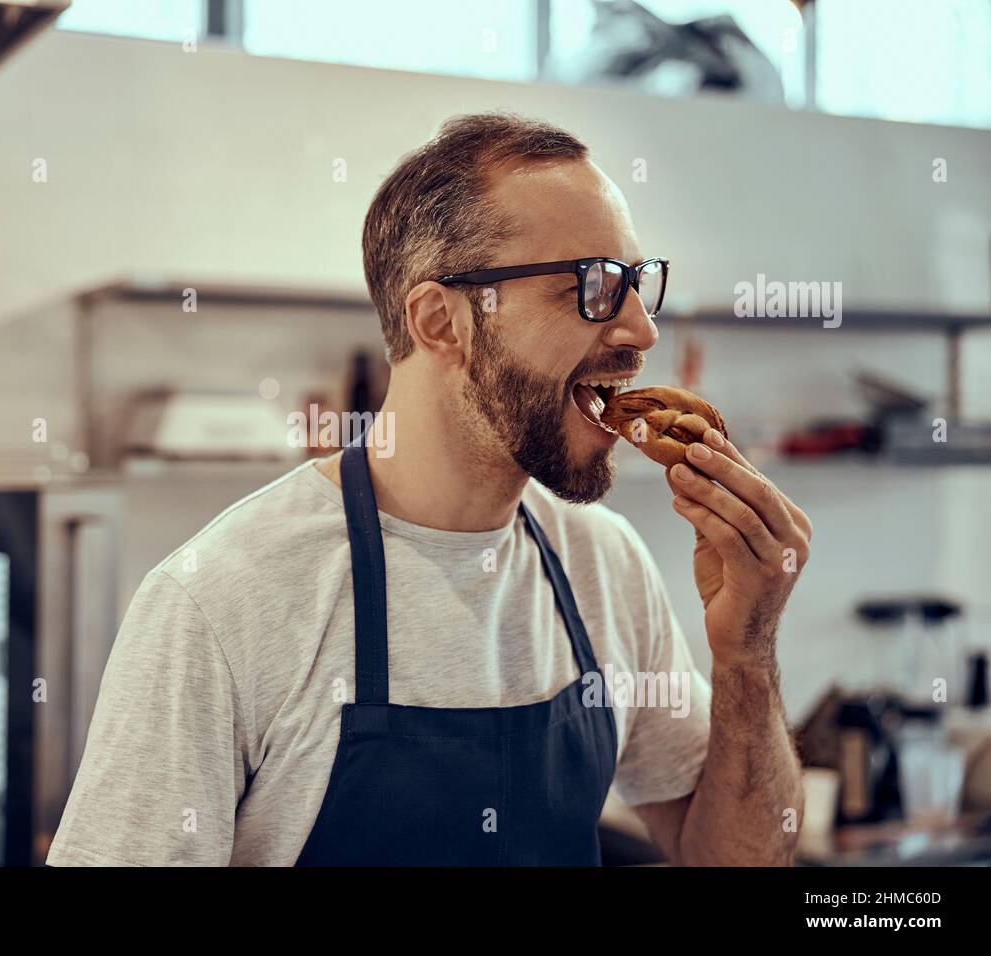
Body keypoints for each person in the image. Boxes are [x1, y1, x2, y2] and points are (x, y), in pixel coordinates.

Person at [48, 112, 811, 866]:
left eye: (639, 282)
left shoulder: (604, 565)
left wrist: (748, 650)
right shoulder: (221, 602)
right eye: (592, 286)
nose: (642, 330)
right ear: (441, 323)